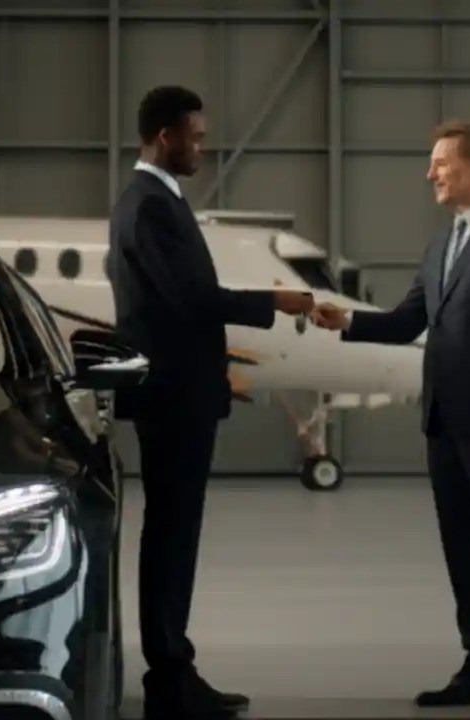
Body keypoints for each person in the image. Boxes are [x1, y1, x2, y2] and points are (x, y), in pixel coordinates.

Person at [311, 119, 470, 715]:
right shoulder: (443, 243)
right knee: (463, 551)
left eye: (441, 163)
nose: (430, 174)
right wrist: (347, 321)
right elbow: (407, 321)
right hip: (443, 421)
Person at [106, 84, 315, 720]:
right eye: (195, 136)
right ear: (165, 136)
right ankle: (170, 678)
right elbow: (192, 299)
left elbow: (184, 297)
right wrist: (271, 302)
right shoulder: (150, 205)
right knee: (172, 537)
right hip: (174, 398)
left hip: (176, 391)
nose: (202, 146)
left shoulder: (151, 200)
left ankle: (172, 668)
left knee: (172, 534)